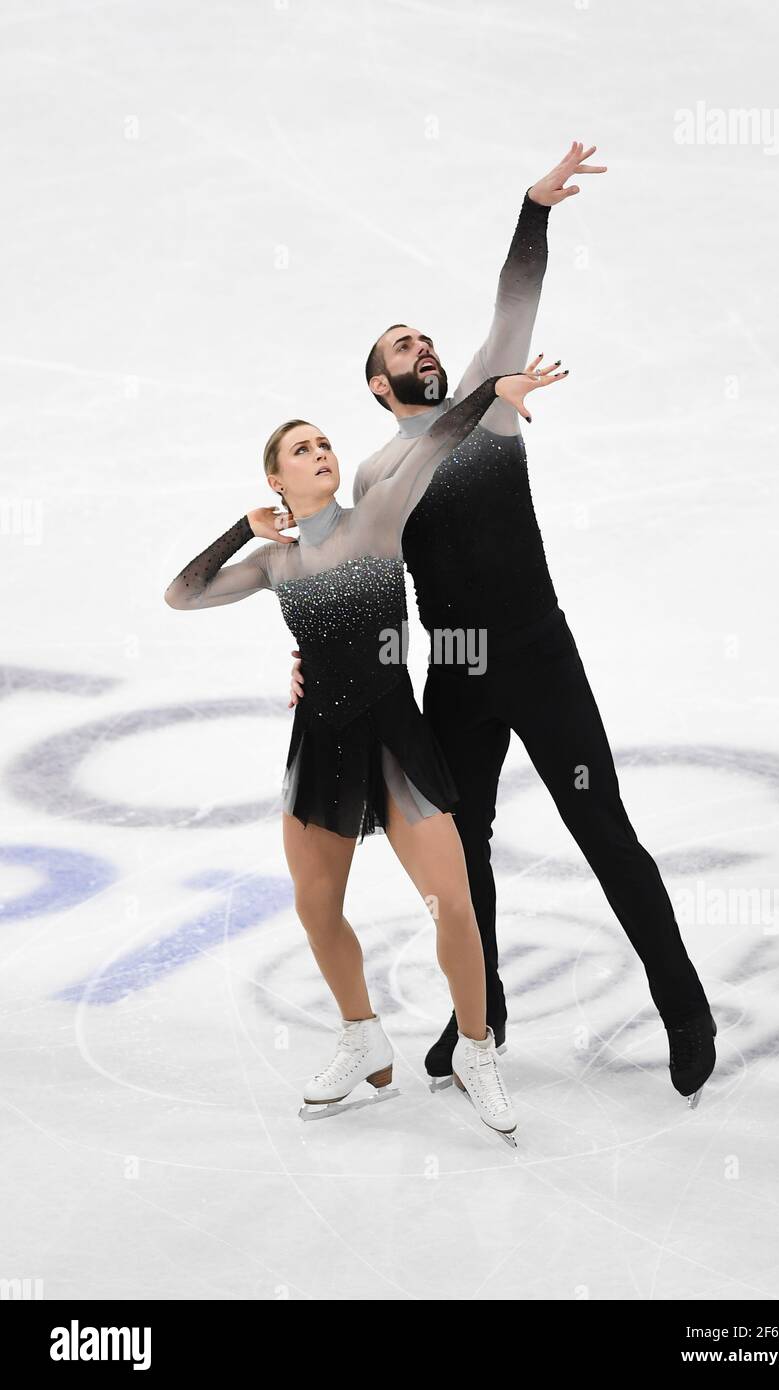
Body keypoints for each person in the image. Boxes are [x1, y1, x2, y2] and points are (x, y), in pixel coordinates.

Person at [290, 143, 717, 1105]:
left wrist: (534, 210)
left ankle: (684, 1006)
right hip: (458, 675)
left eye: (425, 341)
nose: (422, 351)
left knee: (601, 827)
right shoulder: (372, 474)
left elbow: (513, 304)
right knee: (462, 852)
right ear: (375, 385)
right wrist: (308, 655)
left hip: (537, 655)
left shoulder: (491, 406)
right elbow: (351, 579)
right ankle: (481, 1016)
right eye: (401, 349)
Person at [164, 363, 567, 1138]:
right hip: (319, 741)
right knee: (316, 906)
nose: (320, 453)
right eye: (301, 450)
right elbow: (181, 595)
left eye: (323, 444)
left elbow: (438, 441)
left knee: (451, 901)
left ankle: (477, 1051)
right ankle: (362, 1036)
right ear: (277, 479)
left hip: (394, 734)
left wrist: (494, 391)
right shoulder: (275, 563)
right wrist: (242, 529)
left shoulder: (375, 518)